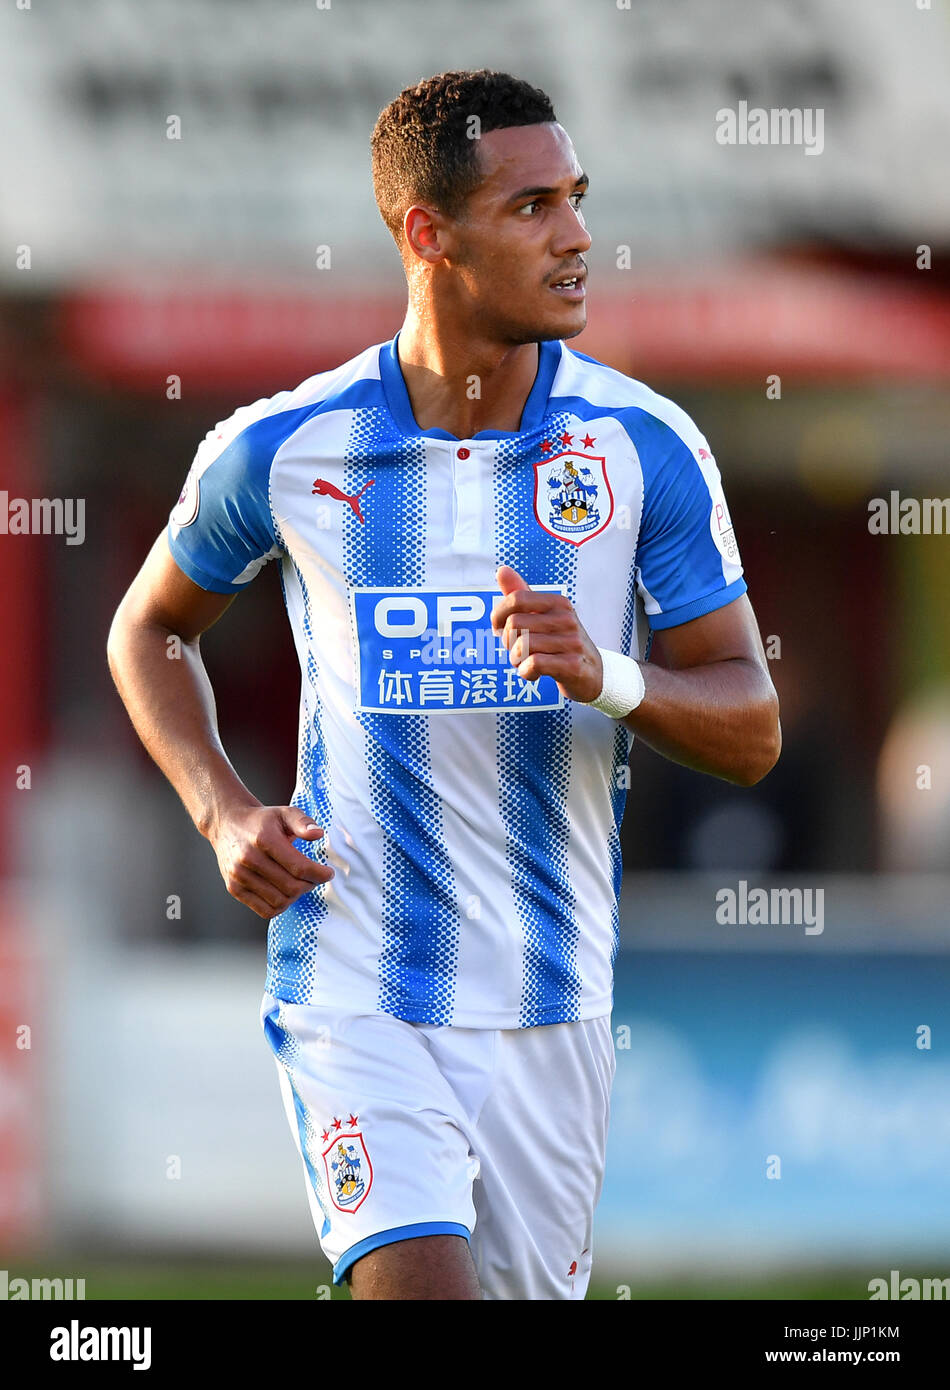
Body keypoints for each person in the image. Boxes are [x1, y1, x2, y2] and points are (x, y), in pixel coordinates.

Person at [106, 68, 781, 1301]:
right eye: (531, 208)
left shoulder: (644, 449)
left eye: (576, 199)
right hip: (355, 985)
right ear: (429, 234)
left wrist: (612, 675)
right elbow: (148, 631)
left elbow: (750, 729)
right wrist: (220, 811)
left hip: (549, 1001)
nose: (578, 236)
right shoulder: (283, 448)